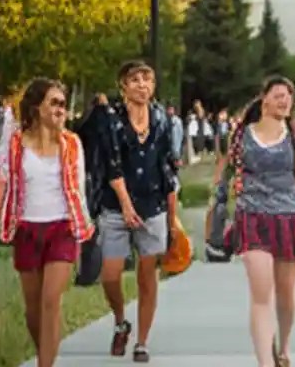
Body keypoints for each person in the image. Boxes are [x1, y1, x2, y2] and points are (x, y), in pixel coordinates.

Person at [0, 79, 93, 367]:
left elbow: (78, 192)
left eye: (63, 104)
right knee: (33, 313)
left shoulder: (72, 144)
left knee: (50, 301)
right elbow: (1, 190)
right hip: (27, 230)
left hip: (62, 228)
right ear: (36, 107)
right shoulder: (16, 144)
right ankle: (46, 353)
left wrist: (82, 234)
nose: (60, 110)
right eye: (54, 103)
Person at [215, 77, 295, 367]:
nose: (284, 100)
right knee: (261, 295)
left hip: (288, 220)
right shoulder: (240, 135)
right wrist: (218, 208)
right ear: (264, 99)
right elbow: (221, 175)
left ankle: (283, 348)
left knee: (286, 295)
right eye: (277, 95)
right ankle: (264, 362)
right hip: (252, 219)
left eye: (288, 96)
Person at [97, 60, 180, 363]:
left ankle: (142, 341)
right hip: (116, 206)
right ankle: (121, 321)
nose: (142, 85)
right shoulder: (111, 120)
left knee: (148, 276)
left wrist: (172, 218)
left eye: (148, 79)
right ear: (123, 86)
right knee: (110, 274)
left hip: (153, 206)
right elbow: (111, 165)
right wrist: (126, 206)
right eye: (135, 79)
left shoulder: (162, 121)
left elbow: (169, 169)